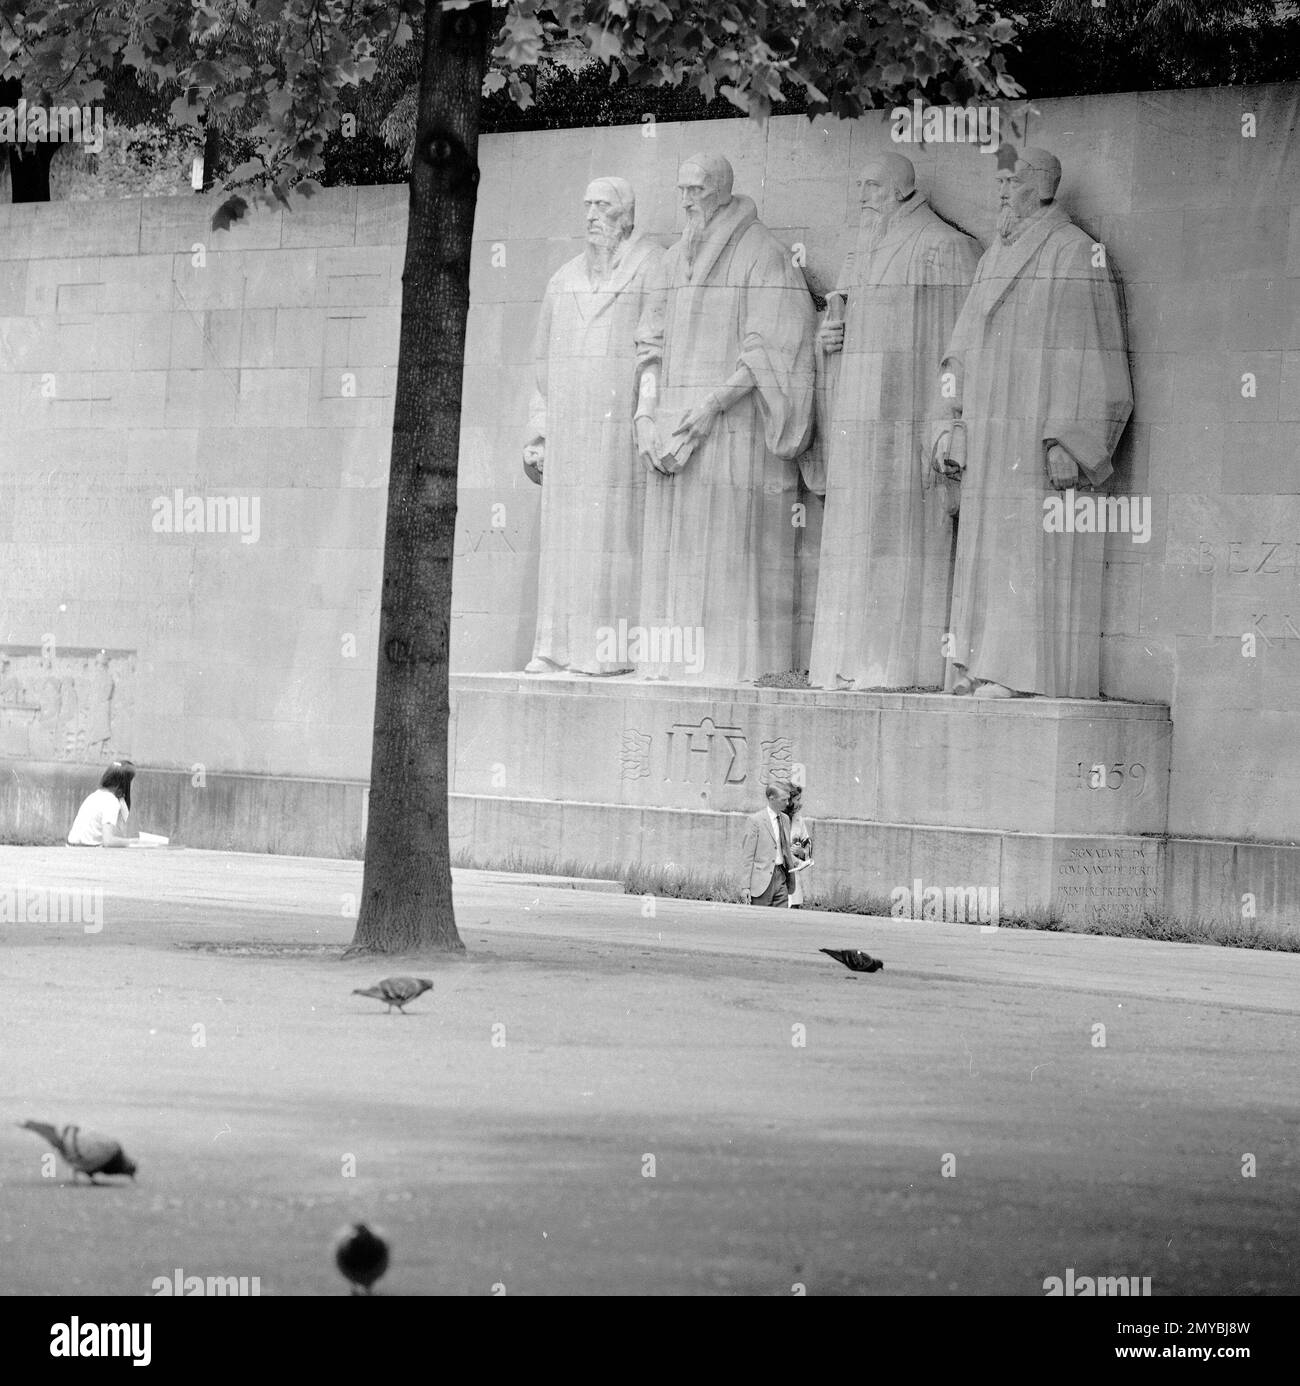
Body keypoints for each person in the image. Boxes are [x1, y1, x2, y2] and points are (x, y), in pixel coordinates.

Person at [937, 146, 1133, 698]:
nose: (1001, 190)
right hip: (992, 430)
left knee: (1027, 545)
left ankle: (1018, 673)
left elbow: (1095, 352)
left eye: (1013, 180)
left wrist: (1072, 438)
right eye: (999, 181)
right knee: (986, 544)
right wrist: (955, 419)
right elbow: (961, 348)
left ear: (1043, 187)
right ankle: (975, 662)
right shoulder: (993, 257)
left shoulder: (1074, 252)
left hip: (1039, 433)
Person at [637, 153, 816, 681]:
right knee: (677, 559)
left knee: (728, 557)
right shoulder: (670, 264)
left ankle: (727, 665)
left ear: (723, 191)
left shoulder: (762, 254)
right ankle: (670, 664)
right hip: (672, 435)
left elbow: (774, 347)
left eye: (698, 189)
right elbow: (649, 346)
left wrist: (712, 404)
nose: (688, 200)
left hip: (735, 434)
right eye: (682, 190)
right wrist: (646, 413)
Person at [808, 152, 979, 691]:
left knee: (900, 540)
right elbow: (837, 327)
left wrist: (950, 420)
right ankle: (848, 661)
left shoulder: (943, 248)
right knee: (857, 537)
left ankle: (895, 664)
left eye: (872, 186)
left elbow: (962, 350)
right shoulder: (863, 251)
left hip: (908, 425)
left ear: (904, 191)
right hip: (859, 425)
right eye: (859, 184)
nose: (862, 196)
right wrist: (828, 342)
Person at [522, 176, 665, 675]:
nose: (591, 215)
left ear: (626, 215)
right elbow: (540, 366)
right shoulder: (563, 280)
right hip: (570, 430)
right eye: (586, 205)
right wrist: (539, 434)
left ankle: (609, 651)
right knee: (564, 537)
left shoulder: (652, 266)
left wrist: (647, 413)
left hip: (617, 431)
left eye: (602, 206)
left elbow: (656, 353)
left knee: (615, 536)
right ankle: (555, 645)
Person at [738, 782, 797, 907]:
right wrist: (745, 887)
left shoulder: (785, 819)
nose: (787, 803)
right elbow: (747, 857)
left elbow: (783, 849)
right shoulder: (755, 821)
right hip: (761, 881)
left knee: (781, 920)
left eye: (788, 799)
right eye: (784, 800)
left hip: (781, 876)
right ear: (772, 799)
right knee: (761, 921)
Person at [67, 761, 137, 847]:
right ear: (125, 784)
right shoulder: (111, 802)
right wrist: (136, 842)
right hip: (85, 850)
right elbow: (108, 841)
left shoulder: (96, 795)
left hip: (72, 846)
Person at [785, 782, 814, 908]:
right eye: (797, 799)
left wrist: (801, 851)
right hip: (777, 873)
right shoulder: (777, 817)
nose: (799, 803)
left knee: (794, 907)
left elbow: (807, 843)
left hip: (794, 874)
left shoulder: (798, 819)